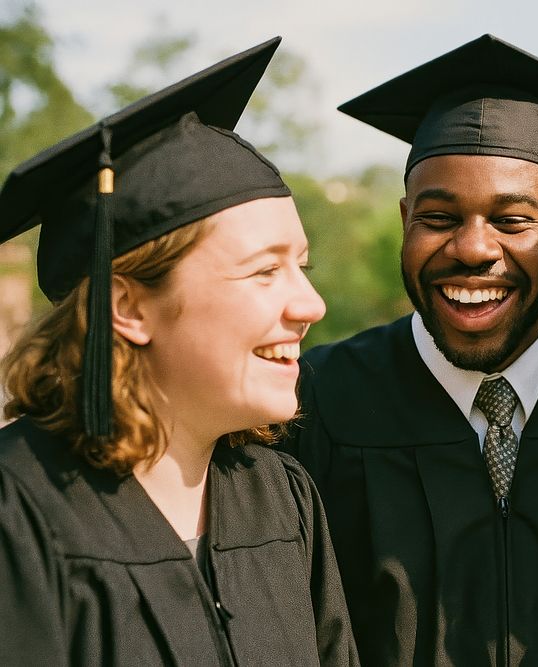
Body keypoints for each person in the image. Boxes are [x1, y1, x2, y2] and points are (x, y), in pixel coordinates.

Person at [281, 35, 538, 665]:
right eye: (439, 218)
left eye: (512, 221)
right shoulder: (317, 404)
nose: (473, 249)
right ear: (405, 222)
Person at [0, 39, 358, 666]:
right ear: (129, 308)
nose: (311, 305)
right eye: (264, 272)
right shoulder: (18, 512)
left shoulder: (281, 497)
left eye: (301, 265)